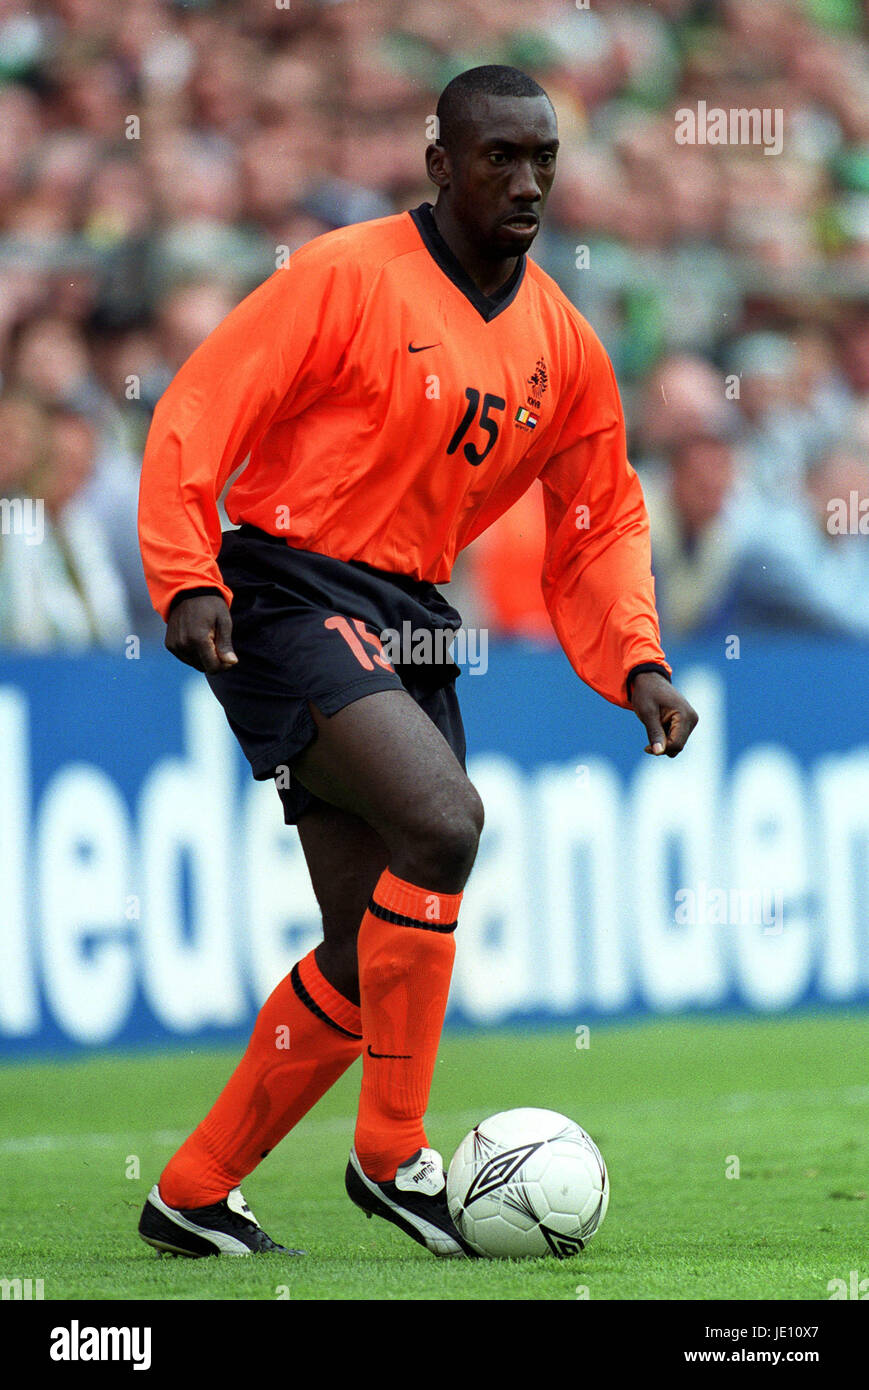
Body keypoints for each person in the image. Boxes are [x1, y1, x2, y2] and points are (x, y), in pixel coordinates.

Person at [136, 64, 698, 1261]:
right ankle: (392, 1156)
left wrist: (637, 662)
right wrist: (185, 574)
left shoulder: (564, 345)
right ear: (439, 163)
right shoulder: (342, 276)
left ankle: (190, 1190)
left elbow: (600, 517)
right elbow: (201, 404)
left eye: (542, 157)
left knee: (358, 956)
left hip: (412, 611)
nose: (527, 180)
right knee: (443, 823)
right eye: (498, 155)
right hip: (287, 585)